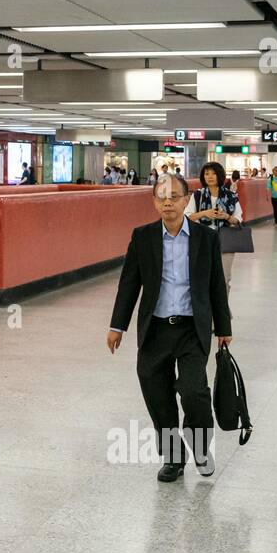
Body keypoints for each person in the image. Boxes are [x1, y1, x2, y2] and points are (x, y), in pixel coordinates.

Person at [107, 174, 232, 482]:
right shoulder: (143, 237)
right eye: (161, 196)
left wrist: (223, 326)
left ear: (186, 200)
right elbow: (129, 284)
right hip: (155, 330)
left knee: (194, 393)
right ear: (154, 201)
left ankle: (201, 448)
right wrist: (117, 326)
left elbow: (217, 284)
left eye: (174, 196)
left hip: (192, 328)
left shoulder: (206, 238)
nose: (167, 202)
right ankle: (173, 458)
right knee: (157, 395)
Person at [186, 161, 243, 289]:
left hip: (225, 241)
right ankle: (207, 308)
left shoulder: (231, 196)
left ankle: (221, 308)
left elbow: (238, 219)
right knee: (204, 278)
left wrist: (226, 217)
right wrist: (204, 213)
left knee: (224, 279)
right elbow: (187, 216)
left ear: (220, 175)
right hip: (203, 241)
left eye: (213, 173)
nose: (210, 176)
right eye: (207, 174)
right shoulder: (197, 195)